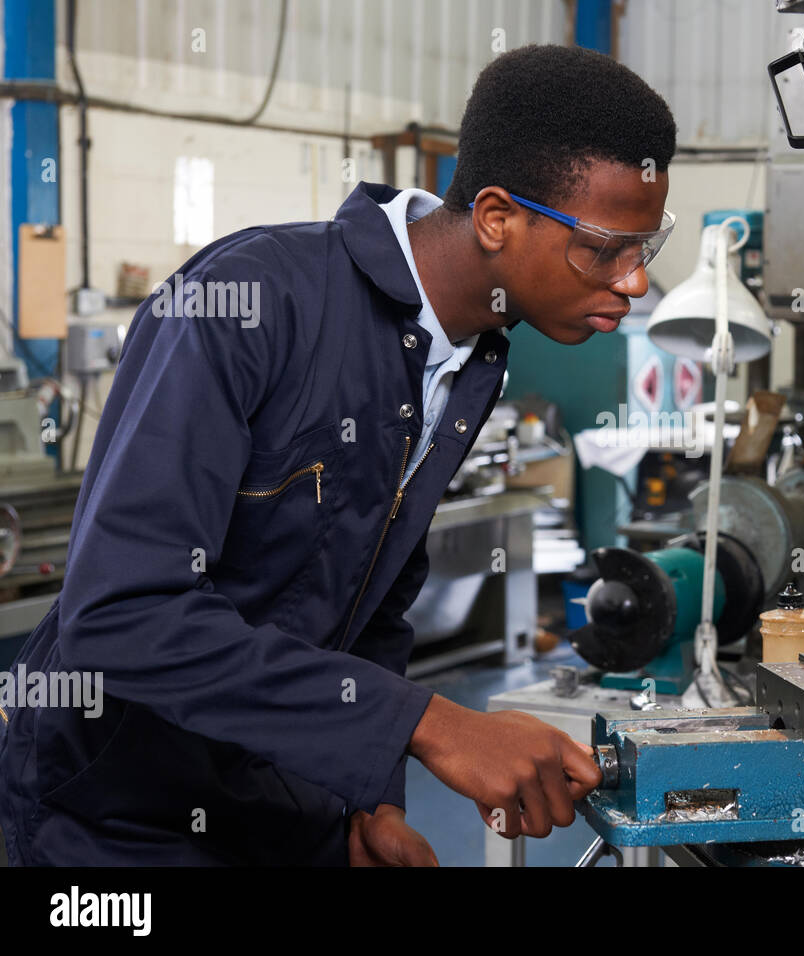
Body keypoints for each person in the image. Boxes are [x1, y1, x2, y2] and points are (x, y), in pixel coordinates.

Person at [0, 43, 677, 865]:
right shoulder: (248, 305)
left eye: (647, 247)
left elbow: (376, 597)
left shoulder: (472, 359)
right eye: (606, 248)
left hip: (281, 797)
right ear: (498, 218)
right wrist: (430, 724)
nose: (635, 282)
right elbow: (122, 612)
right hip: (114, 815)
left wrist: (369, 797)